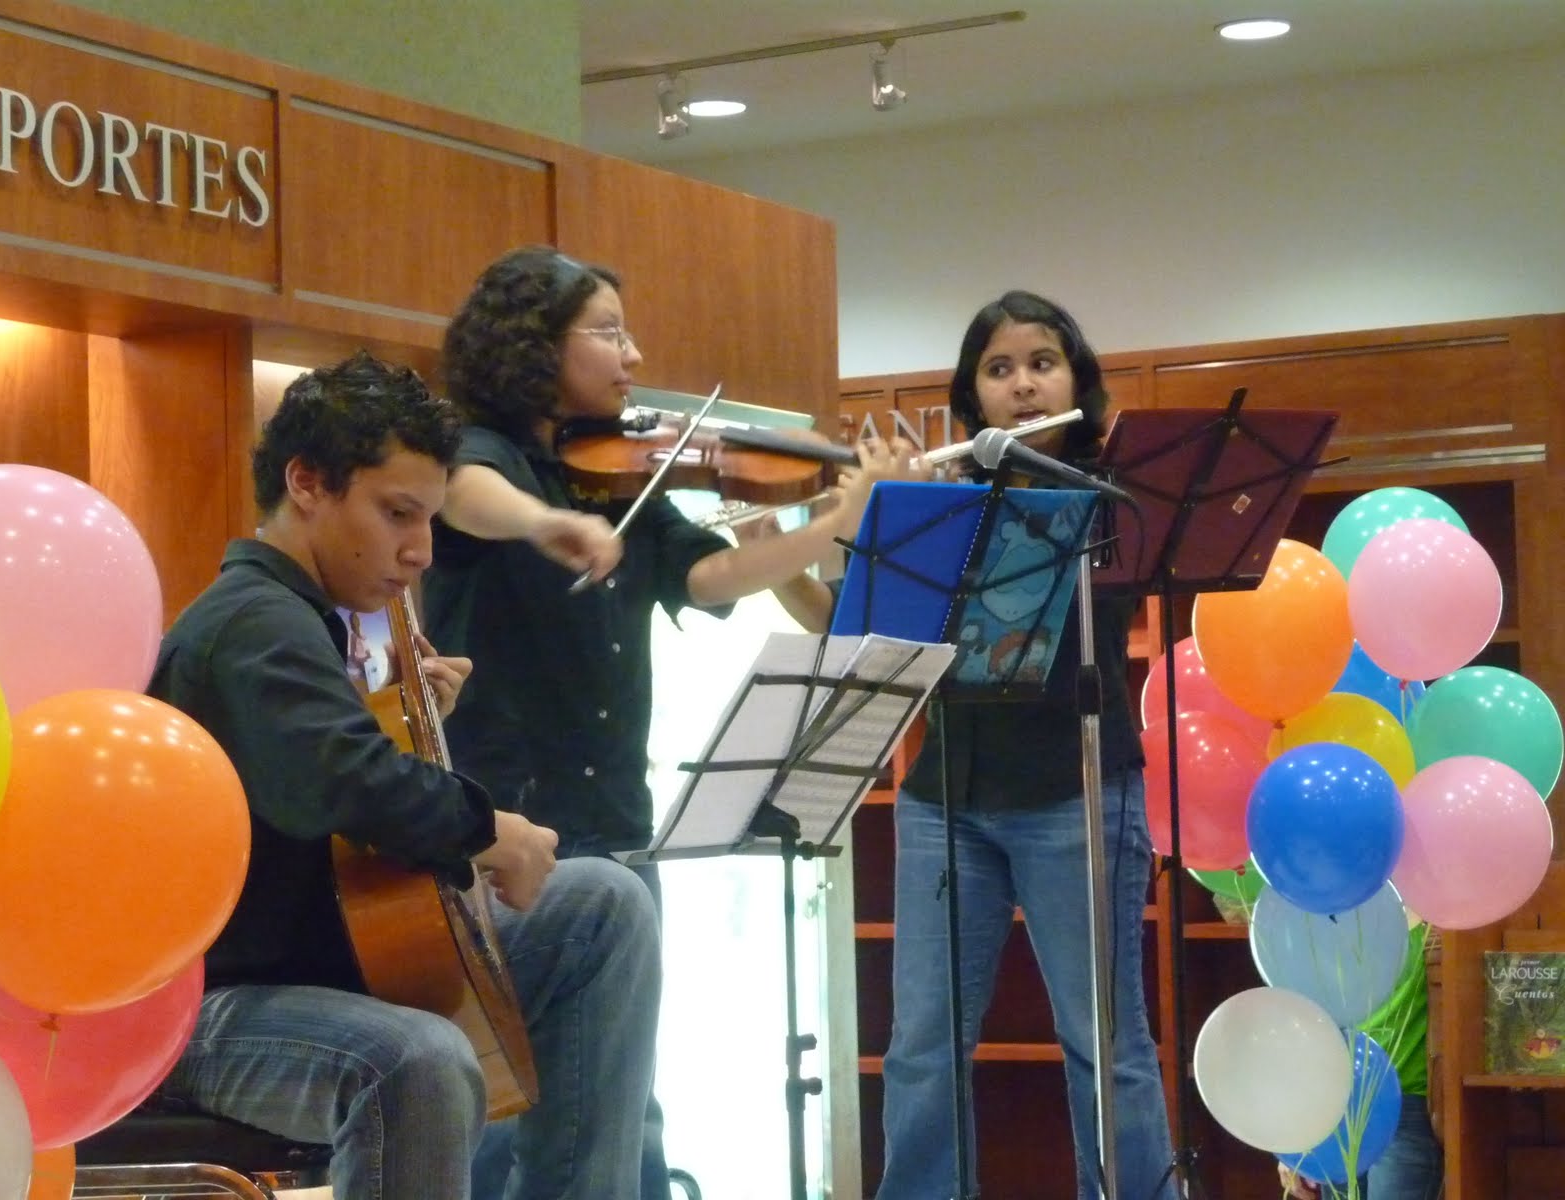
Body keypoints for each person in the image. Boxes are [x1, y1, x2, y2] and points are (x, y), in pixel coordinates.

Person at [420, 244, 929, 1198]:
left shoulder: (621, 478)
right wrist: (544, 522)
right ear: (537, 345)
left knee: (619, 1103)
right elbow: (465, 495)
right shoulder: (484, 456)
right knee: (496, 1106)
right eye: (608, 331)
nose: (633, 353)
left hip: (615, 822)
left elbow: (711, 575)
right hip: (509, 828)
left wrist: (837, 525)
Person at [147, 350, 661, 1200]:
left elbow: (321, 795)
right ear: (306, 482)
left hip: (335, 966)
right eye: (397, 515)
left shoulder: (315, 621)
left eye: (428, 519)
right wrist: (490, 830)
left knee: (601, 905)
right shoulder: (256, 621)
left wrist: (412, 725)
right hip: (218, 1009)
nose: (420, 551)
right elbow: (346, 780)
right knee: (416, 1059)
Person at [766, 290, 1177, 1199]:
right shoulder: (938, 507)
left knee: (1106, 1042)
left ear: (1076, 380)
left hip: (1079, 795)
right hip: (946, 801)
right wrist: (777, 554)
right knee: (921, 1042)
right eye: (1000, 370)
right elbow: (857, 635)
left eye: (1042, 363)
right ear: (974, 397)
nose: (1024, 385)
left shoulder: (1114, 503)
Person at [1278, 923, 1444, 1200]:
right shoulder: (1327, 927)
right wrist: (1294, 1143)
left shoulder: (1435, 927)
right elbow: (1305, 1030)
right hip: (1335, 1108)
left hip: (1405, 1106)